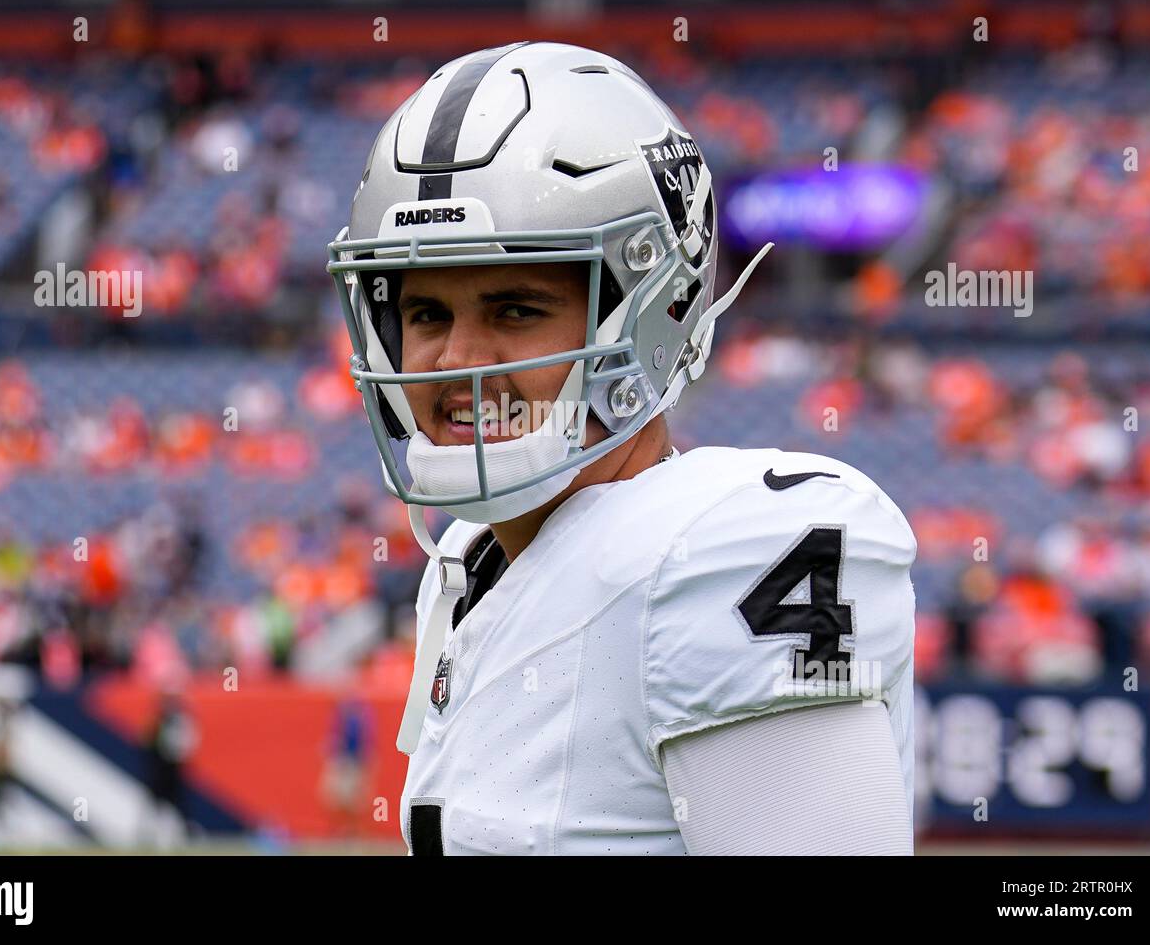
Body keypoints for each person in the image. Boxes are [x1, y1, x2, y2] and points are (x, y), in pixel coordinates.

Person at [327, 42, 916, 855]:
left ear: (653, 312)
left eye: (516, 308)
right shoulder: (468, 566)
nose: (458, 359)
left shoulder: (720, 555)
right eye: (427, 313)